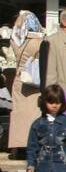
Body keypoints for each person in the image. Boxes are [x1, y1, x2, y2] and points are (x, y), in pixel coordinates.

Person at [7, 12, 46, 163]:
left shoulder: (16, 39)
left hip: (19, 79)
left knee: (18, 114)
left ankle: (18, 147)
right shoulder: (39, 40)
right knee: (33, 115)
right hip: (34, 81)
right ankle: (33, 145)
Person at [39, 6, 66, 117]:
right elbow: (49, 78)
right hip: (62, 106)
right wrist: (53, 105)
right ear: (64, 22)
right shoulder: (51, 42)